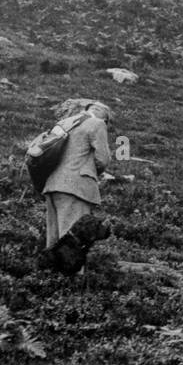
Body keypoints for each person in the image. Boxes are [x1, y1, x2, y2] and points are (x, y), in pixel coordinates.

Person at [41, 101, 112, 252]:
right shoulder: (97, 124)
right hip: (75, 186)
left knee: (53, 242)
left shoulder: (65, 123)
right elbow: (103, 159)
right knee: (73, 241)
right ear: (104, 118)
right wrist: (94, 171)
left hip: (53, 183)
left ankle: (49, 274)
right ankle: (72, 275)